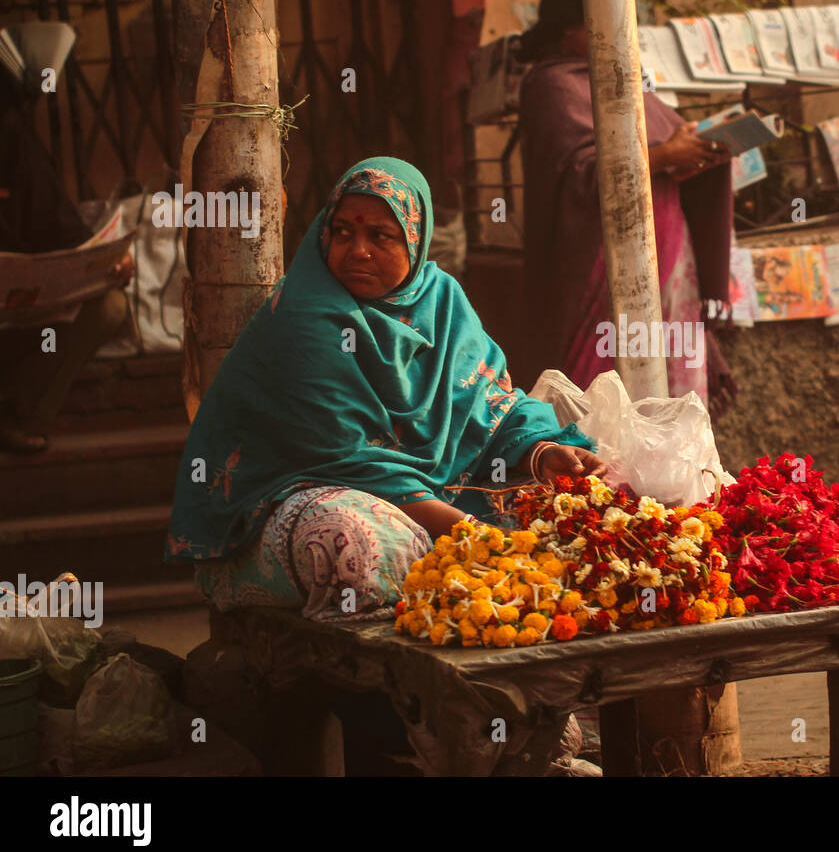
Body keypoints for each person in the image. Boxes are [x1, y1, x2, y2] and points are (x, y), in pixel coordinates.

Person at [166, 156, 605, 621]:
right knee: (354, 542)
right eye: (342, 233)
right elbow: (352, 463)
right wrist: (482, 538)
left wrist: (541, 451)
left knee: (578, 507)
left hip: (434, 495)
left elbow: (491, 404)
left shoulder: (441, 301)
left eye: (380, 236)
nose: (358, 250)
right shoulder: (305, 318)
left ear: (415, 241)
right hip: (291, 503)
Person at [518, 0, 740, 419]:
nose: (618, 34)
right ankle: (599, 489)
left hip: (666, 256)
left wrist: (692, 150)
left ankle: (672, 483)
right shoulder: (551, 84)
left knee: (670, 396)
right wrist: (665, 154)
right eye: (599, 22)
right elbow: (580, 174)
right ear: (568, 26)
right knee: (604, 396)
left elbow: (660, 142)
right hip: (602, 268)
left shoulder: (619, 78)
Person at [0, 73, 135, 452]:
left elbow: (62, 230)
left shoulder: (12, 145)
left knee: (108, 307)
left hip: (22, 318)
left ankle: (19, 412)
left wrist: (110, 263)